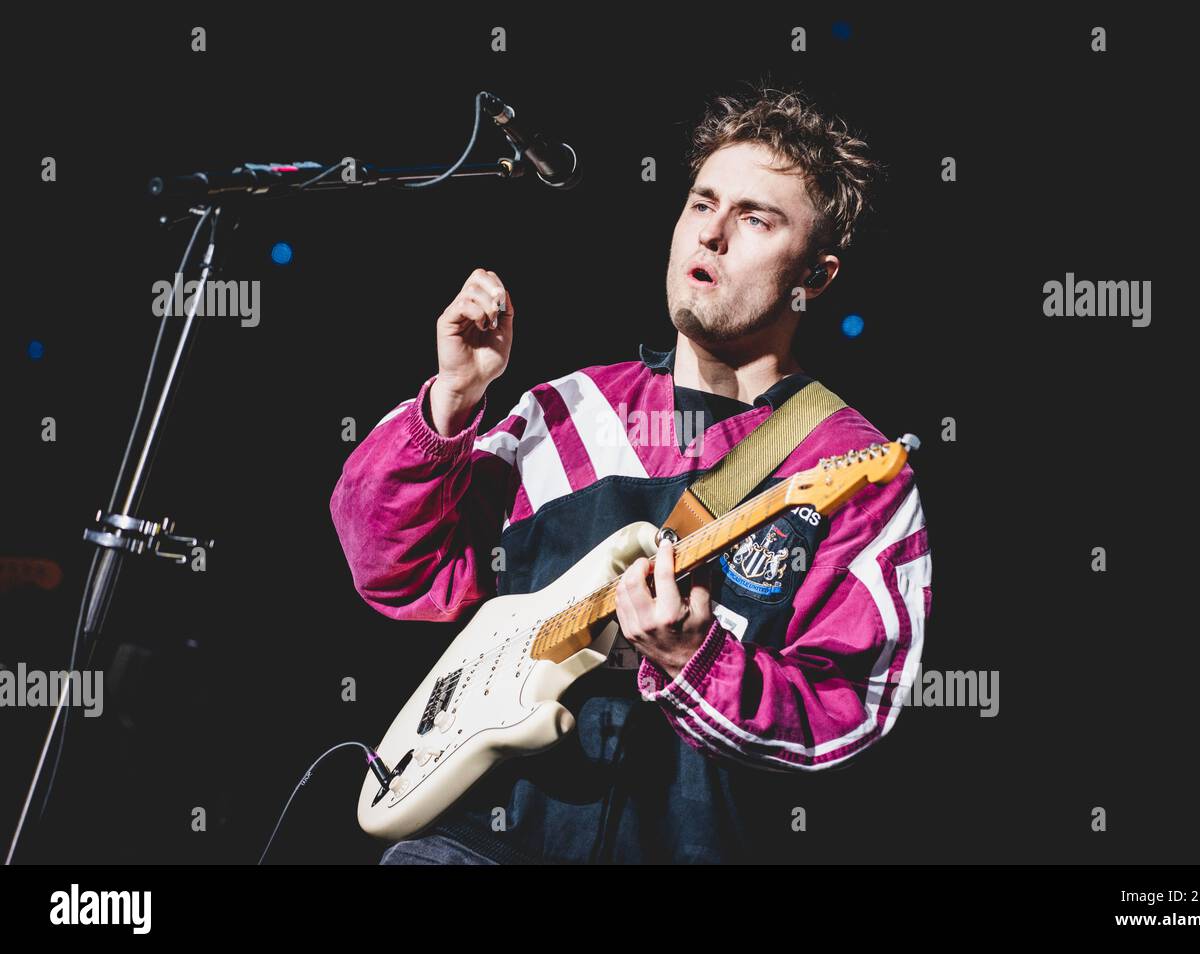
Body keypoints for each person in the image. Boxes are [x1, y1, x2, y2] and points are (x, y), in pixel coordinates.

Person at [330, 83, 932, 864]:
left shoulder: (847, 466)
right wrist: (451, 401)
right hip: (475, 842)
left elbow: (851, 709)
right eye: (700, 204)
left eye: (755, 219)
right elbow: (396, 572)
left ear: (813, 278)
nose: (710, 236)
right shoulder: (573, 409)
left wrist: (696, 664)